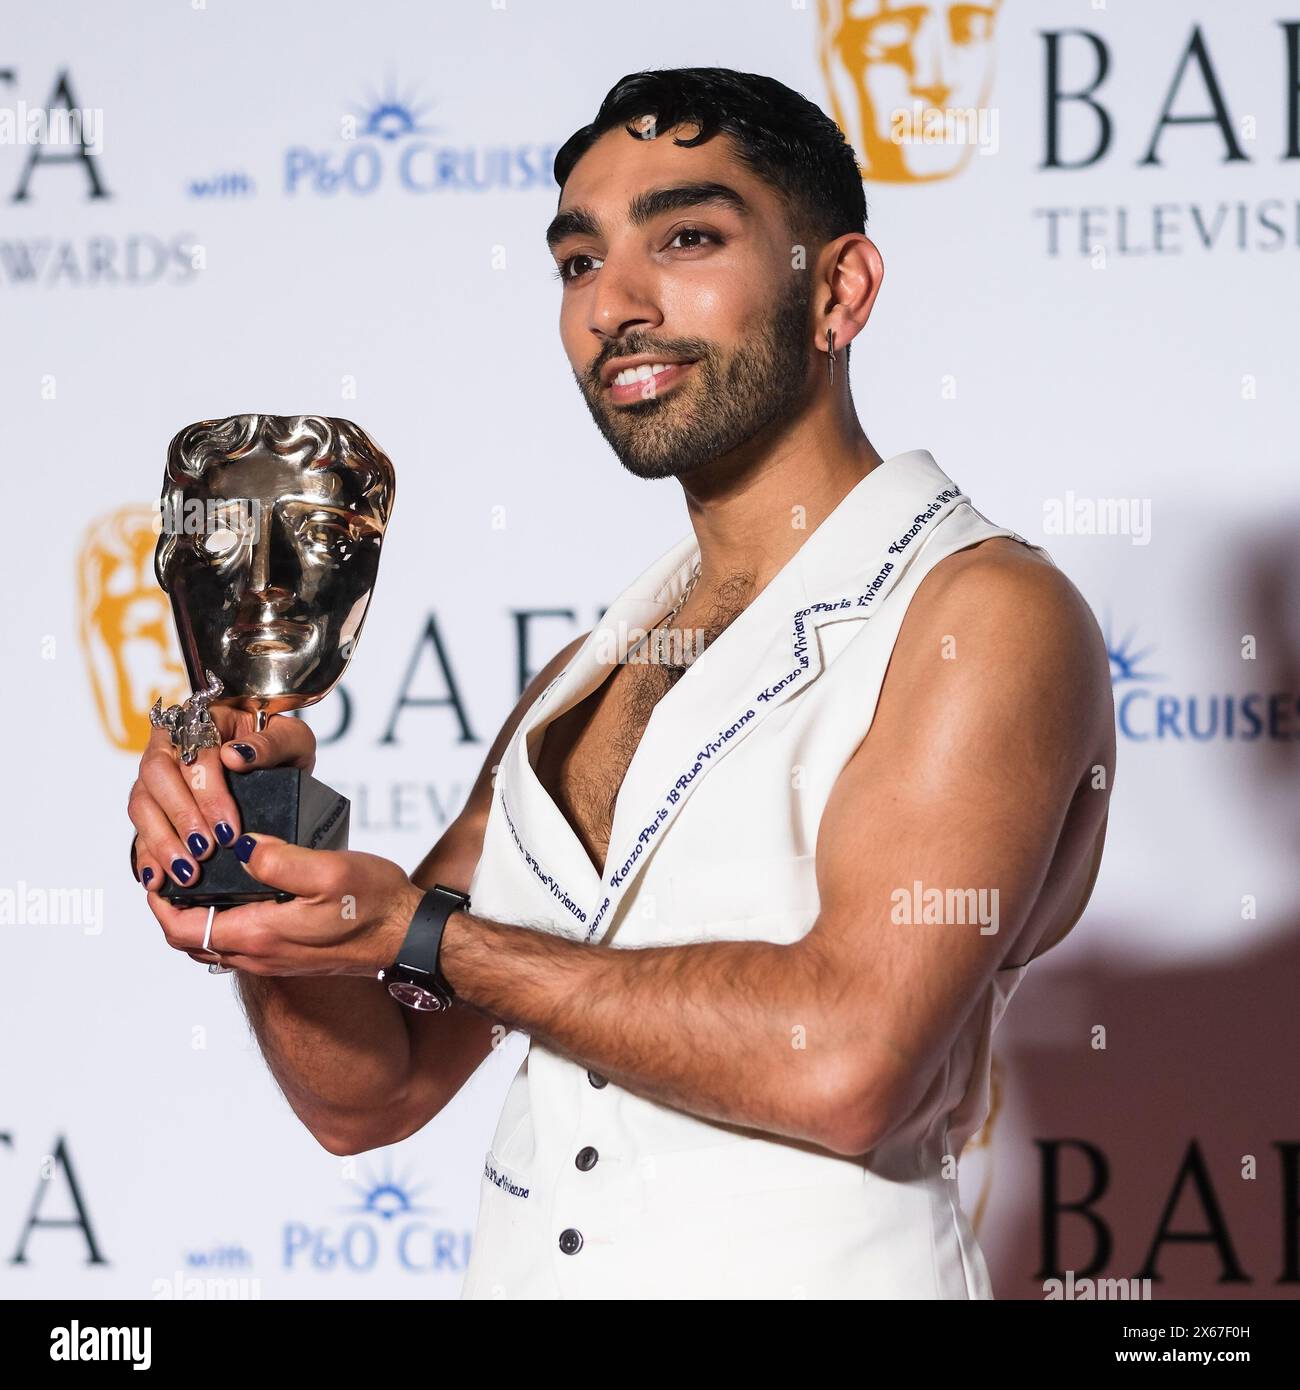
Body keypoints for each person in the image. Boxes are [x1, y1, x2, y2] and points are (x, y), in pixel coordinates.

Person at [129, 67, 1115, 1299]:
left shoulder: (980, 615)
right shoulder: (586, 676)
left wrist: (426, 932)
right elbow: (373, 1089)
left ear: (840, 288)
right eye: (578, 262)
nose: (617, 304)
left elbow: (855, 1062)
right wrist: (252, 861)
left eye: (688, 238)